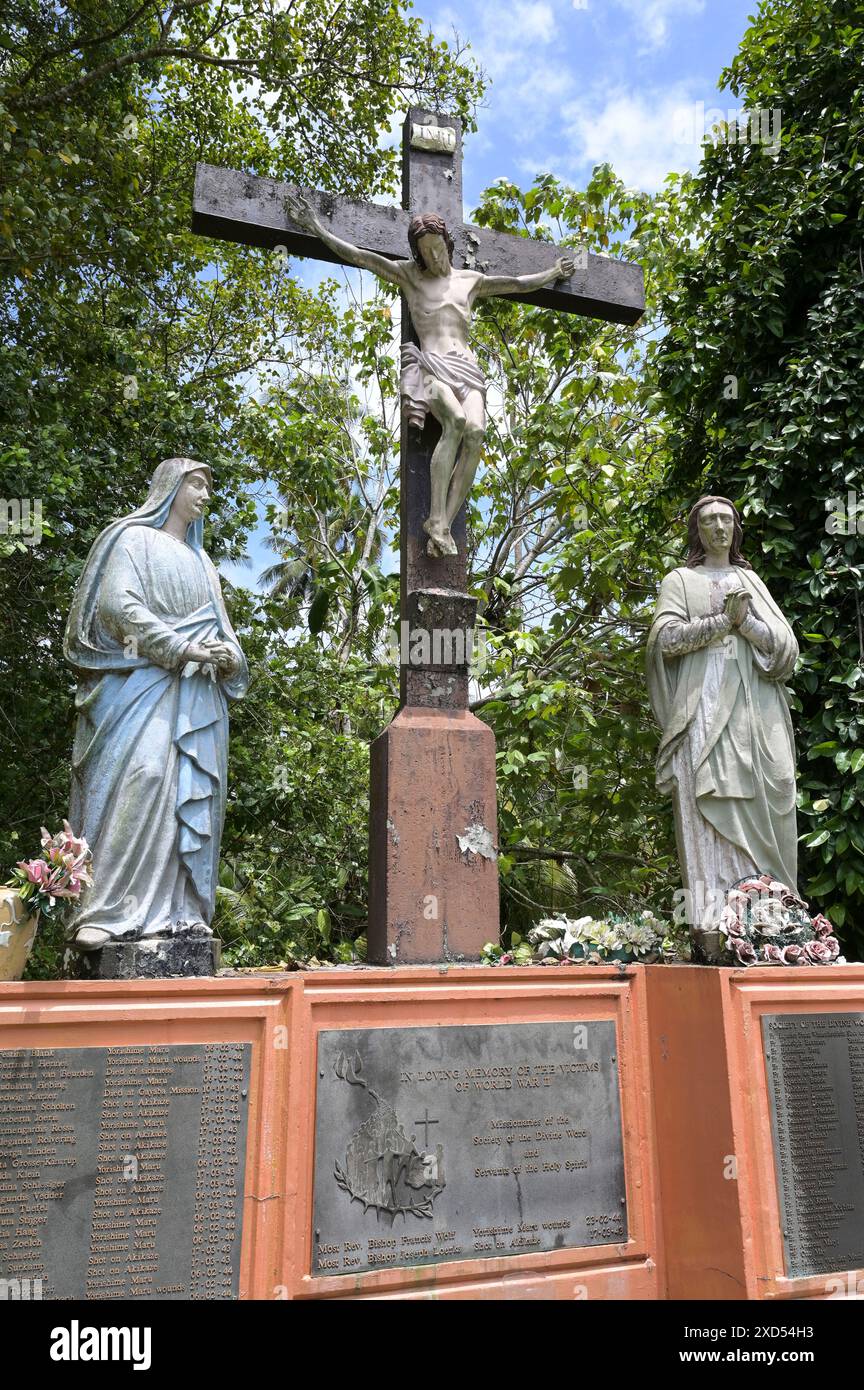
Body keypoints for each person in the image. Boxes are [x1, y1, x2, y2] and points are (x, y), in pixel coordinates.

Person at [285, 194, 574, 556]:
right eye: (426, 252)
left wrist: (552, 273)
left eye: (439, 249)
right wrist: (316, 228)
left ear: (448, 245)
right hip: (432, 366)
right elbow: (361, 256)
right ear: (417, 254)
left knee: (476, 432)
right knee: (453, 421)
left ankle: (441, 523)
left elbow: (516, 283)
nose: (435, 258)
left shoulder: (470, 281)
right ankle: (436, 517)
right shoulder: (410, 277)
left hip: (468, 370)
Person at [63, 457, 248, 952]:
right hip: (143, 686)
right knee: (143, 778)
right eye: (197, 484)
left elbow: (223, 630)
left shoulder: (203, 563)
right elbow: (118, 606)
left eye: (208, 488)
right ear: (170, 487)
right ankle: (106, 909)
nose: (205, 496)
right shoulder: (132, 540)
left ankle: (180, 910)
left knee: (191, 797)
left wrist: (230, 655)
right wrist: (178, 647)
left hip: (198, 694)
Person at [646, 496, 799, 951]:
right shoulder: (681, 580)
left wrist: (747, 623)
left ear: (736, 529)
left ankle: (773, 918)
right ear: (697, 530)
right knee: (705, 807)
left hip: (755, 712)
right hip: (704, 708)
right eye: (709, 520)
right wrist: (718, 623)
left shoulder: (749, 579)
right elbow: (663, 641)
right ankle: (715, 925)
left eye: (726, 520)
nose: (719, 527)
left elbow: (785, 650)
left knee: (777, 787)